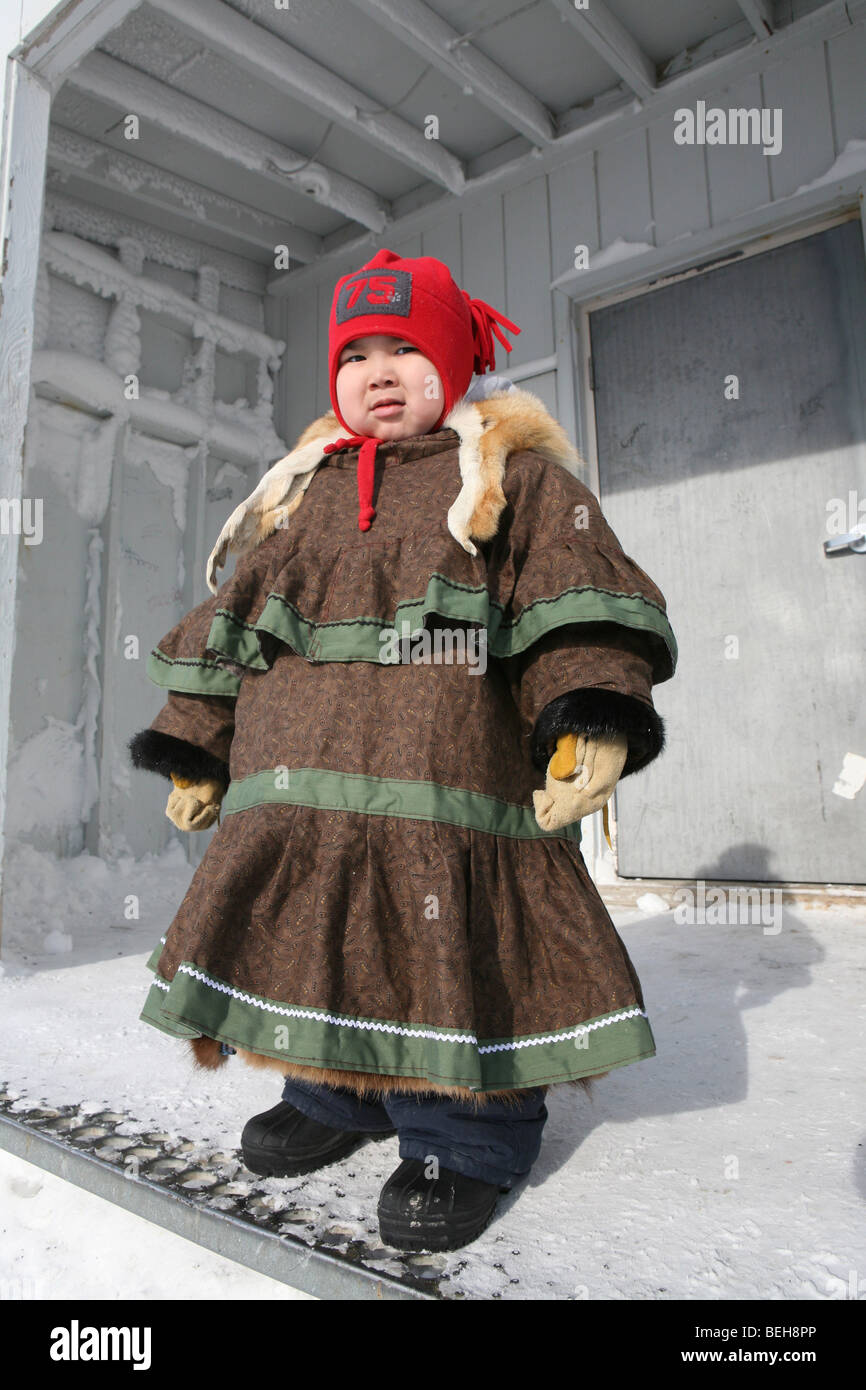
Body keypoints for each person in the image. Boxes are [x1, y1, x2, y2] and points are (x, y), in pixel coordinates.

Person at [128, 248, 677, 1253]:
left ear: (457, 363)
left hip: (450, 793)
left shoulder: (515, 482)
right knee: (311, 937)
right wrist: (199, 746)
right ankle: (332, 1093)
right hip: (303, 795)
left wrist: (591, 715)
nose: (377, 372)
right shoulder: (304, 494)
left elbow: (573, 608)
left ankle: (461, 1133)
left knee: (450, 948)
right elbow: (230, 623)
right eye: (357, 354)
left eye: (405, 350)